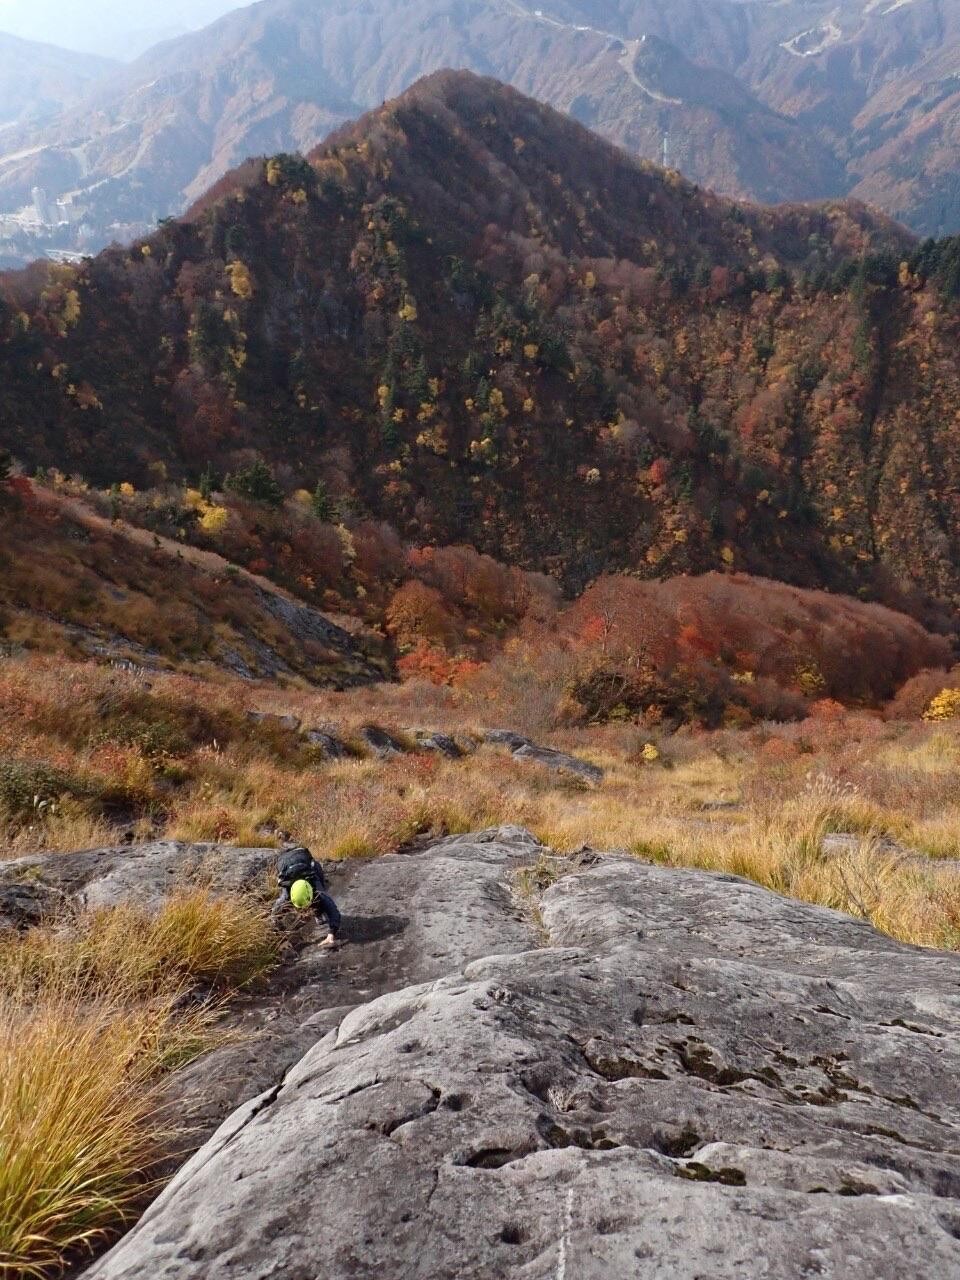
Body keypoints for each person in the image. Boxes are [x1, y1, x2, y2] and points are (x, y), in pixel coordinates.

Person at [271, 845, 342, 948]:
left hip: (305, 861)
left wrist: (331, 934)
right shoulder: (286, 895)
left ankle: (318, 913)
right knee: (282, 906)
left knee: (322, 899)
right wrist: (280, 935)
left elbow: (334, 911)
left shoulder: (315, 887)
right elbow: (274, 915)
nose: (305, 909)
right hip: (285, 862)